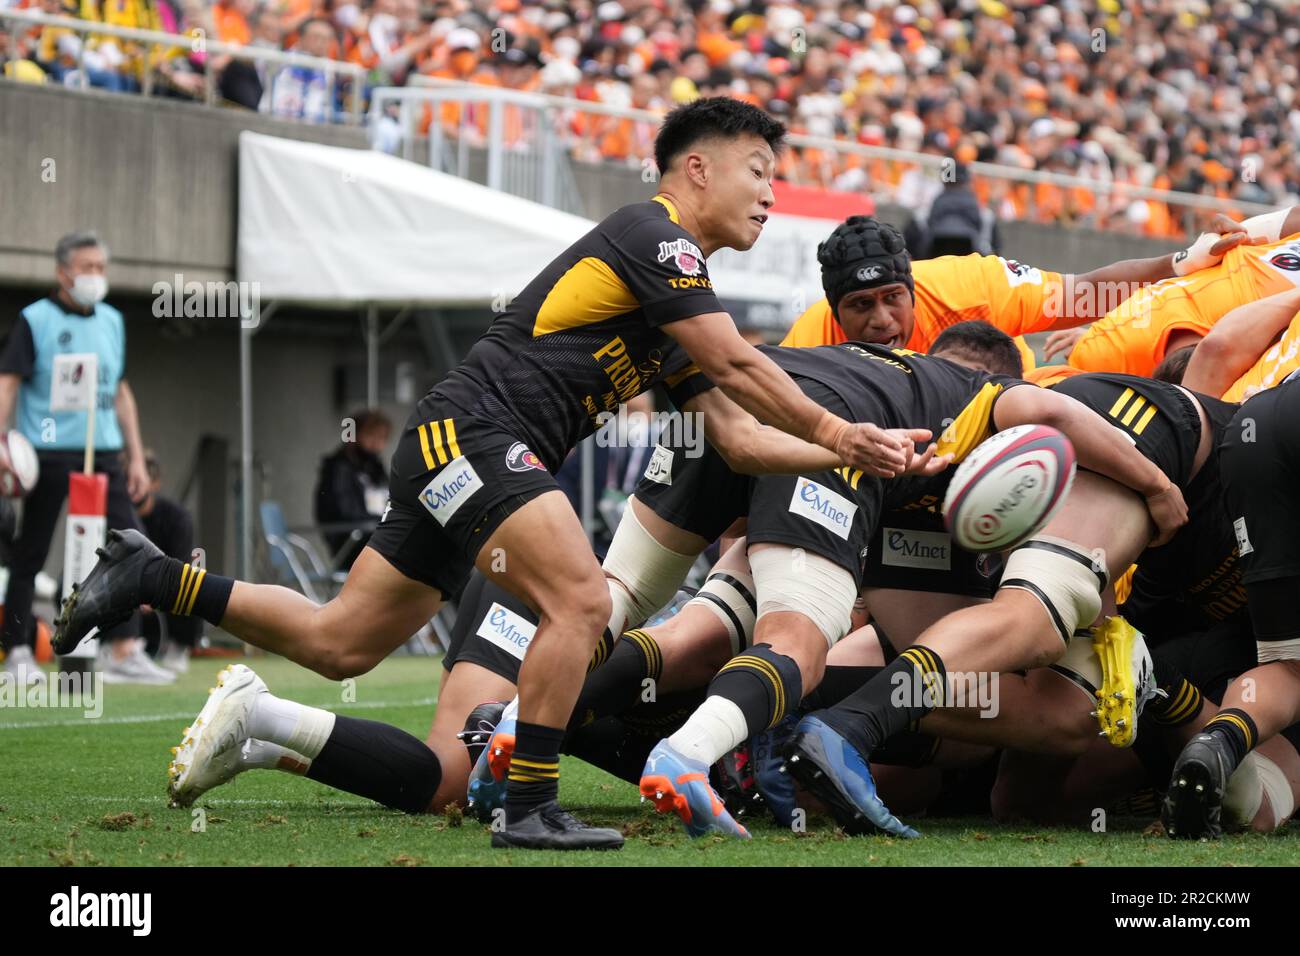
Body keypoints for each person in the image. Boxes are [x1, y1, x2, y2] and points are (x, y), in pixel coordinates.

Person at [55, 97, 933, 851]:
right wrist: (839, 426)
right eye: (758, 171)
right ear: (697, 170)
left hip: (456, 446)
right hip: (475, 437)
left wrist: (849, 450)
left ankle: (150, 573)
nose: (771, 194)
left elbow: (736, 441)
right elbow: (742, 368)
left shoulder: (675, 299)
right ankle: (530, 808)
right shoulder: (652, 236)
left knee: (340, 644)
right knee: (584, 602)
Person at [0, 231, 169, 687]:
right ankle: (17, 651)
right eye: (86, 267)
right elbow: (9, 381)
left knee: (132, 545)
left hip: (105, 451)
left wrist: (135, 456)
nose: (95, 275)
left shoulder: (113, 321)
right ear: (62, 272)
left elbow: (120, 391)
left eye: (101, 267)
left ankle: (125, 649)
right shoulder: (34, 319)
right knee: (30, 550)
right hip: (49, 452)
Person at [134, 450, 200, 673]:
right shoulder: (118, 515)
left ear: (154, 483)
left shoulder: (178, 518)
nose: (133, 488)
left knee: (194, 582)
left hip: (164, 582)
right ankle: (112, 646)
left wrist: (151, 592)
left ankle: (179, 646)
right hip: (127, 586)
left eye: (140, 480)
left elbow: (180, 563)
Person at [314, 409, 390, 570]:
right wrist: (382, 521)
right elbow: (346, 512)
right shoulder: (340, 468)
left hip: (373, 534)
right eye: (371, 436)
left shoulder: (375, 467)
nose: (377, 443)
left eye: (382, 438)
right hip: (351, 541)